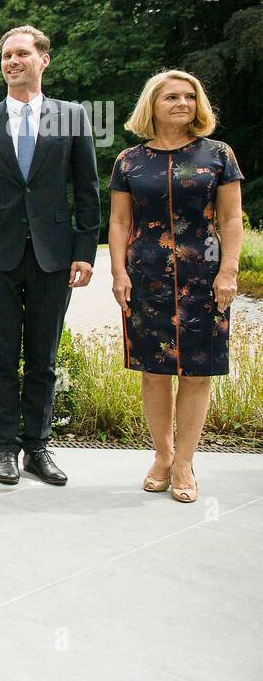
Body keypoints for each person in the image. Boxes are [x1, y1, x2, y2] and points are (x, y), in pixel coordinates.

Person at [0, 25, 101, 486]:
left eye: (21, 54)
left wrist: (84, 251)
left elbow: (88, 190)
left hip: (53, 255)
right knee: (0, 356)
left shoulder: (70, 117)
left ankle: (38, 448)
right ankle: (5, 451)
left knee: (44, 358)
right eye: (6, 57)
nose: (12, 62)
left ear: (43, 60)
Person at [109, 70, 244, 503]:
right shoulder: (129, 160)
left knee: (198, 370)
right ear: (153, 104)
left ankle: (185, 461)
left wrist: (229, 271)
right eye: (172, 96)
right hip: (146, 277)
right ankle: (162, 456)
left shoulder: (218, 155)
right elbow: (119, 221)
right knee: (154, 370)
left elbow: (231, 220)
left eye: (190, 96)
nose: (182, 103)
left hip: (205, 277)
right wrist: (118, 273)